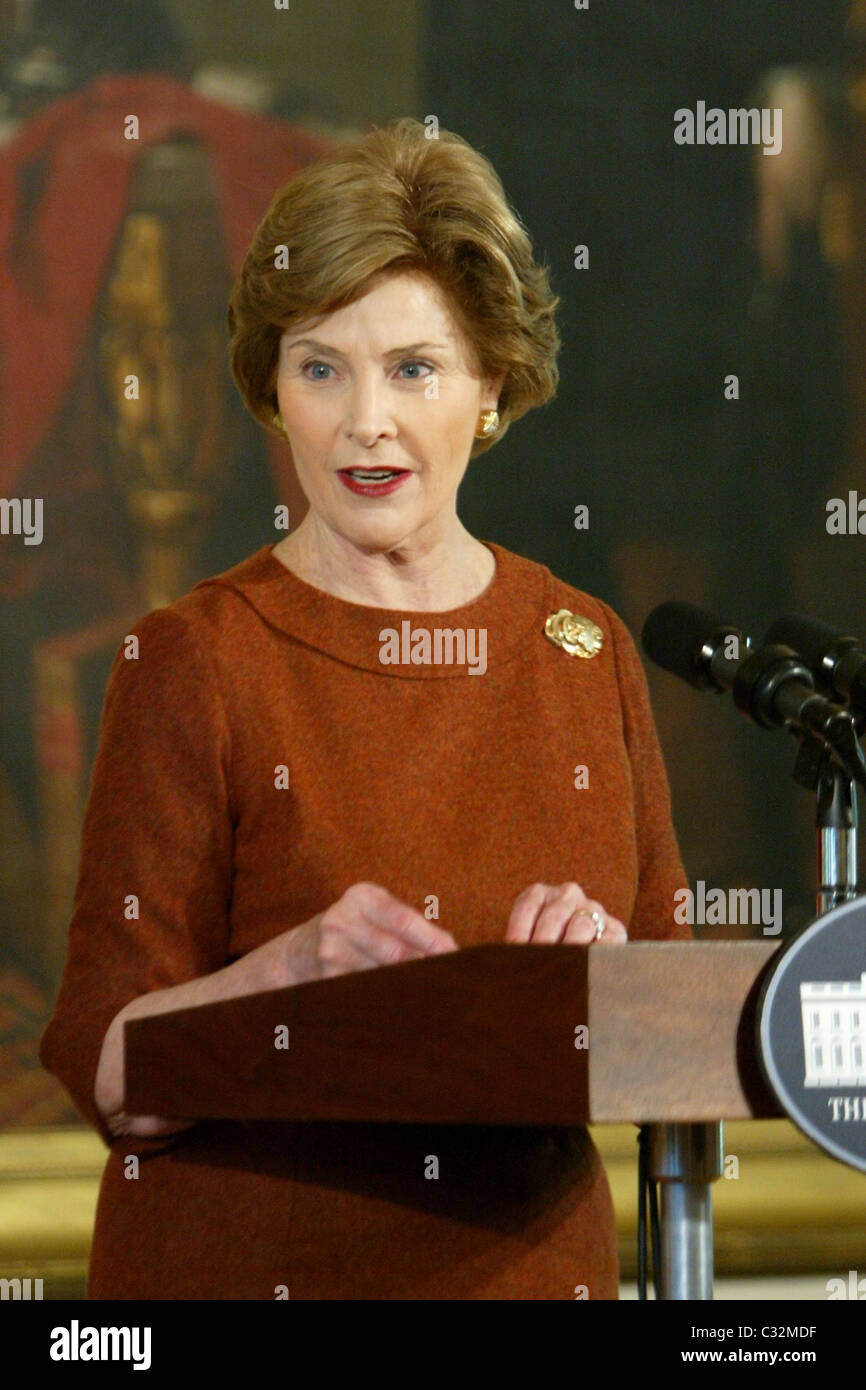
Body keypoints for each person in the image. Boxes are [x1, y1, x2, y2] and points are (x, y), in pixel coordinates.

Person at [39, 116, 689, 1300]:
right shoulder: (194, 658)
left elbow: (683, 1052)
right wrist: (276, 981)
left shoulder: (581, 651)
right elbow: (105, 1069)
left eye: (413, 368)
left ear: (490, 383)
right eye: (319, 366)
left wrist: (604, 992)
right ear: (273, 387)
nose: (364, 422)